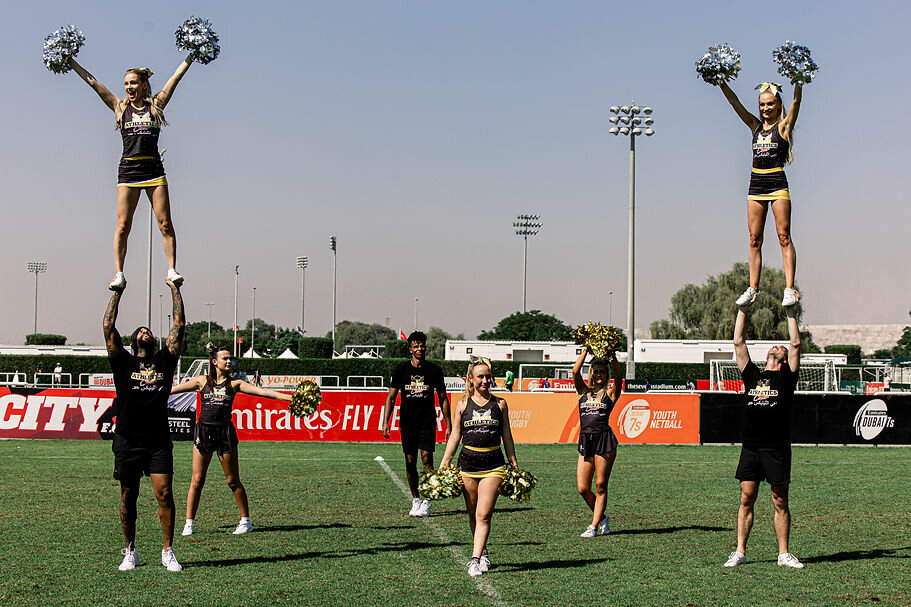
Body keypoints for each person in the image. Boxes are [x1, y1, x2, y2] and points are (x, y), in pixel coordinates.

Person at [68, 56, 193, 290]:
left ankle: (171, 269)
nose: (128, 87)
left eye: (133, 83)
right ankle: (119, 273)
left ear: (144, 85)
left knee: (165, 223)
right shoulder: (120, 107)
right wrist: (71, 61)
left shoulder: (155, 106)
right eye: (126, 84)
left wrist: (190, 57)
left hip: (154, 170)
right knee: (123, 225)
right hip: (129, 171)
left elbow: (175, 78)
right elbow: (93, 83)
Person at [103, 277, 185, 572]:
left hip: (158, 441)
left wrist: (175, 288)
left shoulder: (165, 361)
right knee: (128, 495)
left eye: (149, 331)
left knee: (164, 493)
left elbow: (178, 327)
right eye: (141, 331)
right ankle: (130, 551)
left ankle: (167, 551)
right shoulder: (123, 363)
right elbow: (107, 328)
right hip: (127, 439)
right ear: (133, 339)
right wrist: (117, 293)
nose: (146, 332)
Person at [170, 346, 291, 537]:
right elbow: (172, 390)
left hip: (225, 433)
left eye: (230, 359)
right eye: (224, 358)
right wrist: (151, 393)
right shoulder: (202, 381)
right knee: (197, 480)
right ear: (214, 361)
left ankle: (245, 521)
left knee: (232, 480)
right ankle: (189, 523)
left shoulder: (235, 384)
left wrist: (289, 398)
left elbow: (263, 392)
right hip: (203, 432)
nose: (228, 362)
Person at [724, 296, 804, 569]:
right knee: (746, 497)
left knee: (779, 499)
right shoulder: (753, 375)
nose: (777, 345)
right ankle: (740, 551)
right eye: (774, 346)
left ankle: (783, 553)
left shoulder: (787, 378)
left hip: (776, 448)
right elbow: (738, 342)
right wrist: (742, 311)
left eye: (779, 347)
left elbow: (795, 343)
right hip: (751, 448)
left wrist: (791, 312)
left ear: (782, 359)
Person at [719, 80, 803, 307]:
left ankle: (789, 288)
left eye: (770, 104)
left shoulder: (783, 127)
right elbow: (734, 102)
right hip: (756, 185)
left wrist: (799, 81)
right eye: (762, 104)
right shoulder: (755, 126)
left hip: (776, 183)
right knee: (754, 239)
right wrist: (721, 82)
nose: (765, 108)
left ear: (777, 105)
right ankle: (753, 288)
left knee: (783, 236)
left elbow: (796, 101)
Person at [440, 357, 519, 578]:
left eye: (488, 376)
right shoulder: (463, 404)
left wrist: (513, 463)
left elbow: (507, 435)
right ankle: (482, 552)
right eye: (480, 377)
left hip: (494, 465)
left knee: (484, 514)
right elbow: (456, 435)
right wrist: (445, 463)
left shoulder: (500, 404)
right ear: (471, 380)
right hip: (467, 465)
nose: (485, 380)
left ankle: (474, 560)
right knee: (473, 513)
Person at [382, 331, 450, 517]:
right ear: (410, 348)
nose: (420, 349)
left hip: (427, 422)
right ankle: (416, 499)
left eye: (422, 345)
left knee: (427, 459)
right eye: (416, 346)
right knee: (410, 462)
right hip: (408, 423)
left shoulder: (434, 370)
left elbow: (443, 398)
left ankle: (427, 500)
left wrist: (448, 424)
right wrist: (385, 422)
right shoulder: (401, 370)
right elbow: (391, 397)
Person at [572, 347, 624, 537]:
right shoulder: (583, 391)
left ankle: (593, 526)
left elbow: (619, 375)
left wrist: (612, 356)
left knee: (600, 485)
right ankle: (602, 517)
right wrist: (585, 350)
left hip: (604, 440)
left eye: (602, 371)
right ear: (591, 373)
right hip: (586, 440)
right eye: (595, 371)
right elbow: (575, 372)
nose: (599, 375)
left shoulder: (610, 393)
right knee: (582, 488)